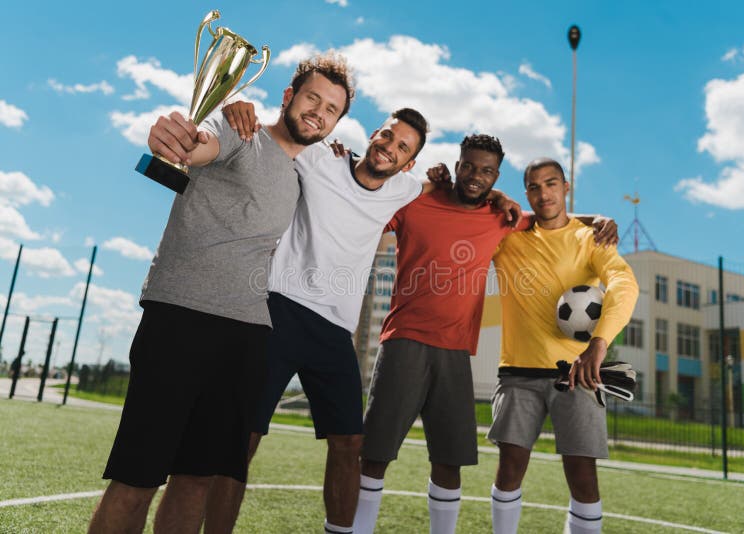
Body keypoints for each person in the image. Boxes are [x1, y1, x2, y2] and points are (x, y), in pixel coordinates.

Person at [210, 105, 520, 534]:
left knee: (355, 444)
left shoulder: (460, 205)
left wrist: (511, 201)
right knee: (250, 435)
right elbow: (296, 149)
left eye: (403, 147)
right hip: (293, 313)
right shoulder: (362, 175)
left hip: (348, 331)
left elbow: (545, 221)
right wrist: (242, 117)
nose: (474, 175)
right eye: (389, 136)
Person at [87, 53, 355, 534]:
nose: (319, 111)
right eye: (312, 97)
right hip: (181, 317)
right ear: (289, 97)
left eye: (332, 109)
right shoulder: (239, 129)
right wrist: (178, 140)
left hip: (250, 334)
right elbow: (199, 146)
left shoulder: (305, 172)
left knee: (196, 481)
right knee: (137, 478)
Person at [352, 137, 617, 534]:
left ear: (496, 176)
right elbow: (369, 203)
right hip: (404, 339)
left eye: (487, 171)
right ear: (457, 165)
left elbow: (549, 217)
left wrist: (596, 217)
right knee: (374, 455)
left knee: (449, 461)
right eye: (470, 167)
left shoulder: (502, 219)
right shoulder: (415, 202)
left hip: (457, 351)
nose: (476, 176)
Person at [488, 158, 639, 534]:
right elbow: (475, 205)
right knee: (509, 469)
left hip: (577, 373)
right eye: (535, 187)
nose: (544, 193)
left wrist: (600, 342)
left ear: (566, 186)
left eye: (551, 184)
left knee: (582, 475)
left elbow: (623, 282)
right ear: (526, 194)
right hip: (517, 374)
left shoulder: (592, 239)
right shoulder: (507, 237)